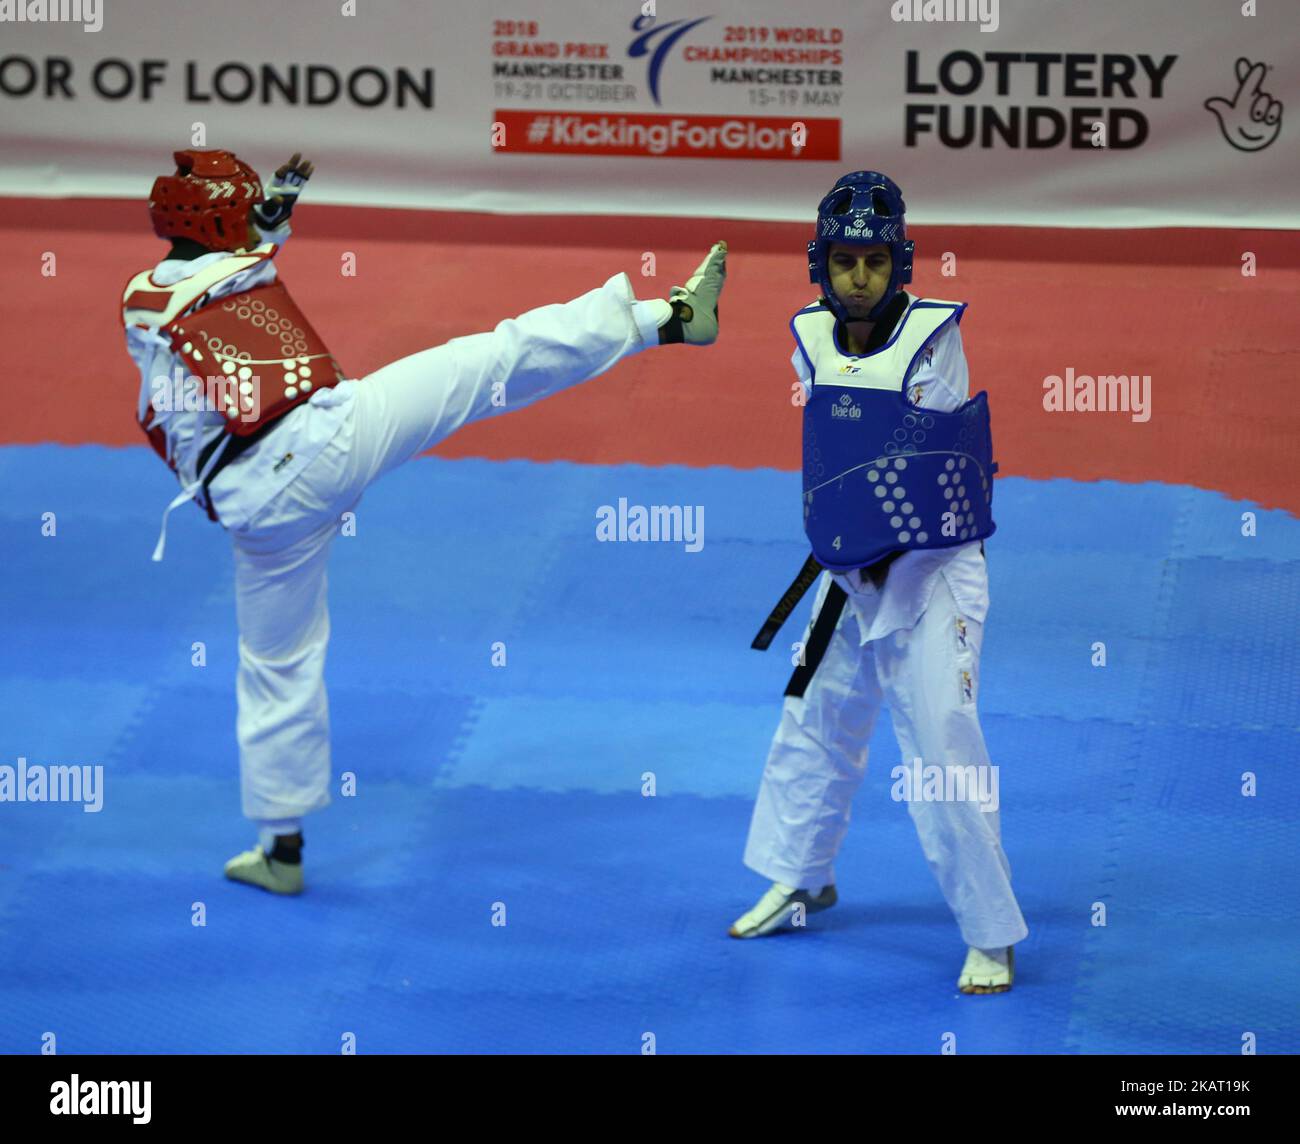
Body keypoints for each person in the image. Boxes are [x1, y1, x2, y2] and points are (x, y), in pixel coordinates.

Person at [121, 148, 728, 895]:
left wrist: (265, 225)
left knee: (275, 664)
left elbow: (226, 269)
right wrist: (266, 229)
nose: (255, 224)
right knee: (490, 362)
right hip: (323, 446)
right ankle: (664, 319)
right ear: (220, 223)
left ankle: (279, 848)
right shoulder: (200, 287)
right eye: (242, 212)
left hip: (257, 511)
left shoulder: (150, 294)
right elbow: (236, 266)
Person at [730, 170, 1027, 994]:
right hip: (848, 566)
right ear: (818, 263)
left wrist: (858, 542)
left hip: (930, 572)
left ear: (902, 264)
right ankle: (801, 875)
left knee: (942, 744)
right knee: (813, 718)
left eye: (874, 261)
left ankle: (991, 931)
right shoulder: (809, 336)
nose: (857, 277)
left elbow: (924, 468)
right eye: (843, 261)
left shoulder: (936, 337)